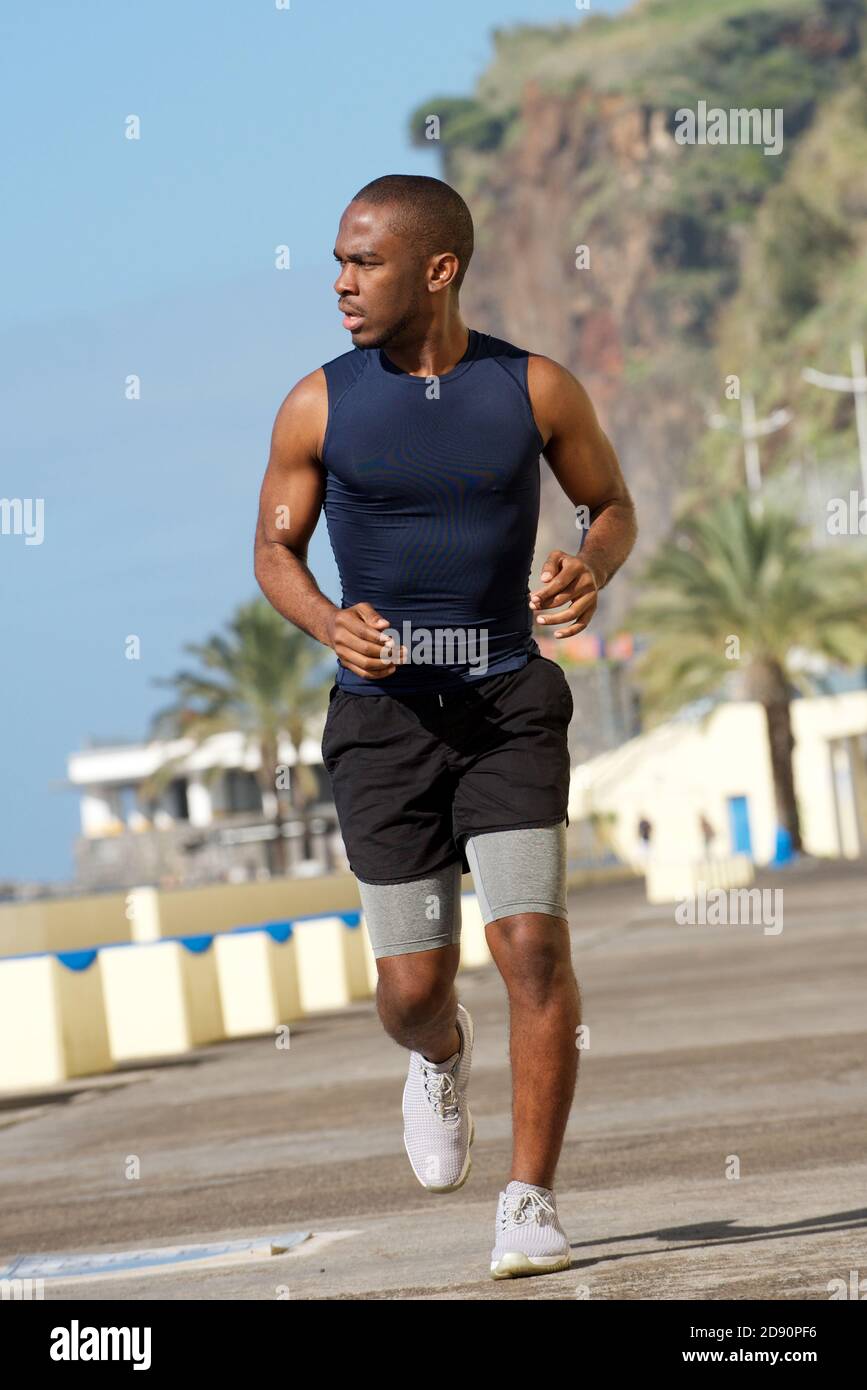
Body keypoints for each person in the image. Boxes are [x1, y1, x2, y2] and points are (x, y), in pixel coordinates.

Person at [254, 174, 637, 1280]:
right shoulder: (316, 405)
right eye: (337, 260)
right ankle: (439, 1054)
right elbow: (275, 549)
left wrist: (588, 566)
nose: (339, 283)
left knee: (531, 945)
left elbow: (607, 504)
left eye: (362, 263)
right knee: (412, 990)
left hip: (509, 700)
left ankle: (530, 1200)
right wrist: (333, 622)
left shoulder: (532, 389)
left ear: (438, 269)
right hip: (383, 723)